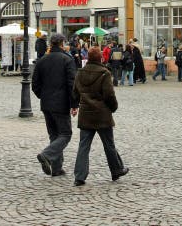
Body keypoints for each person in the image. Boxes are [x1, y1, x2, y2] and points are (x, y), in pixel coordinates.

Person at [71, 46, 128, 186]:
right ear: (100, 58)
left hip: (86, 114)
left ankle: (79, 176)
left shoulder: (81, 73)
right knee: (109, 144)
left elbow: (75, 92)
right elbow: (109, 94)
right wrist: (113, 107)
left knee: (84, 146)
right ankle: (116, 170)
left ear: (88, 58)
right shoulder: (104, 73)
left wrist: (75, 105)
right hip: (102, 114)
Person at [32, 33, 77, 177]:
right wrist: (74, 103)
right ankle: (47, 154)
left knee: (54, 135)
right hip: (61, 103)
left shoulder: (42, 60)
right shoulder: (67, 60)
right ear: (62, 44)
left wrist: (43, 95)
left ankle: (57, 168)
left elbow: (35, 85)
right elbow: (72, 84)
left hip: (46, 103)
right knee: (65, 134)